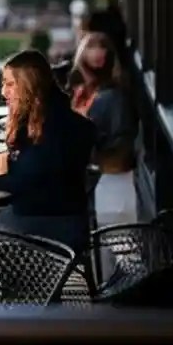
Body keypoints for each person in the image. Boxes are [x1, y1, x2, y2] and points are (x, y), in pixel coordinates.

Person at [0, 49, 95, 253]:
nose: (4, 92)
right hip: (56, 222)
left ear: (30, 86)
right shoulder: (41, 122)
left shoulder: (54, 130)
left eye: (10, 84)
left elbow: (21, 181)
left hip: (50, 229)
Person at [69, 31, 138, 226]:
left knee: (116, 246)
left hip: (110, 183)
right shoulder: (80, 92)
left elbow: (121, 144)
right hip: (87, 184)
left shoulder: (114, 97)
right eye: (91, 47)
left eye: (103, 46)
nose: (98, 52)